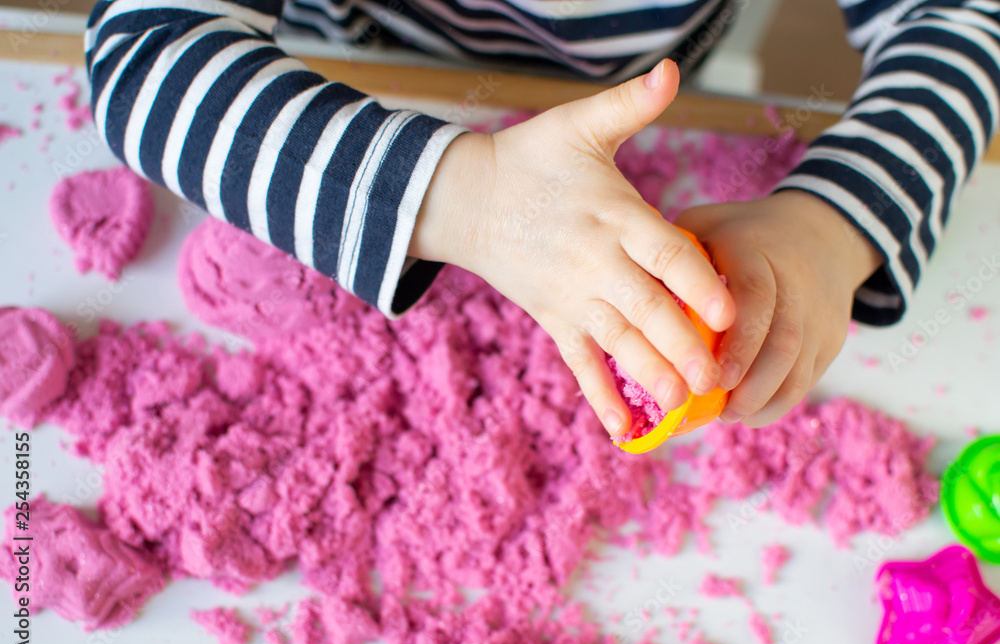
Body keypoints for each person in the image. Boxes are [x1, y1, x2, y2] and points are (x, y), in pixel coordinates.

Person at [84, 0, 1000, 437]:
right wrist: (470, 198)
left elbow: (963, 20)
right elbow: (144, 57)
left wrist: (833, 222)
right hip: (339, 91)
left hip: (659, 84)